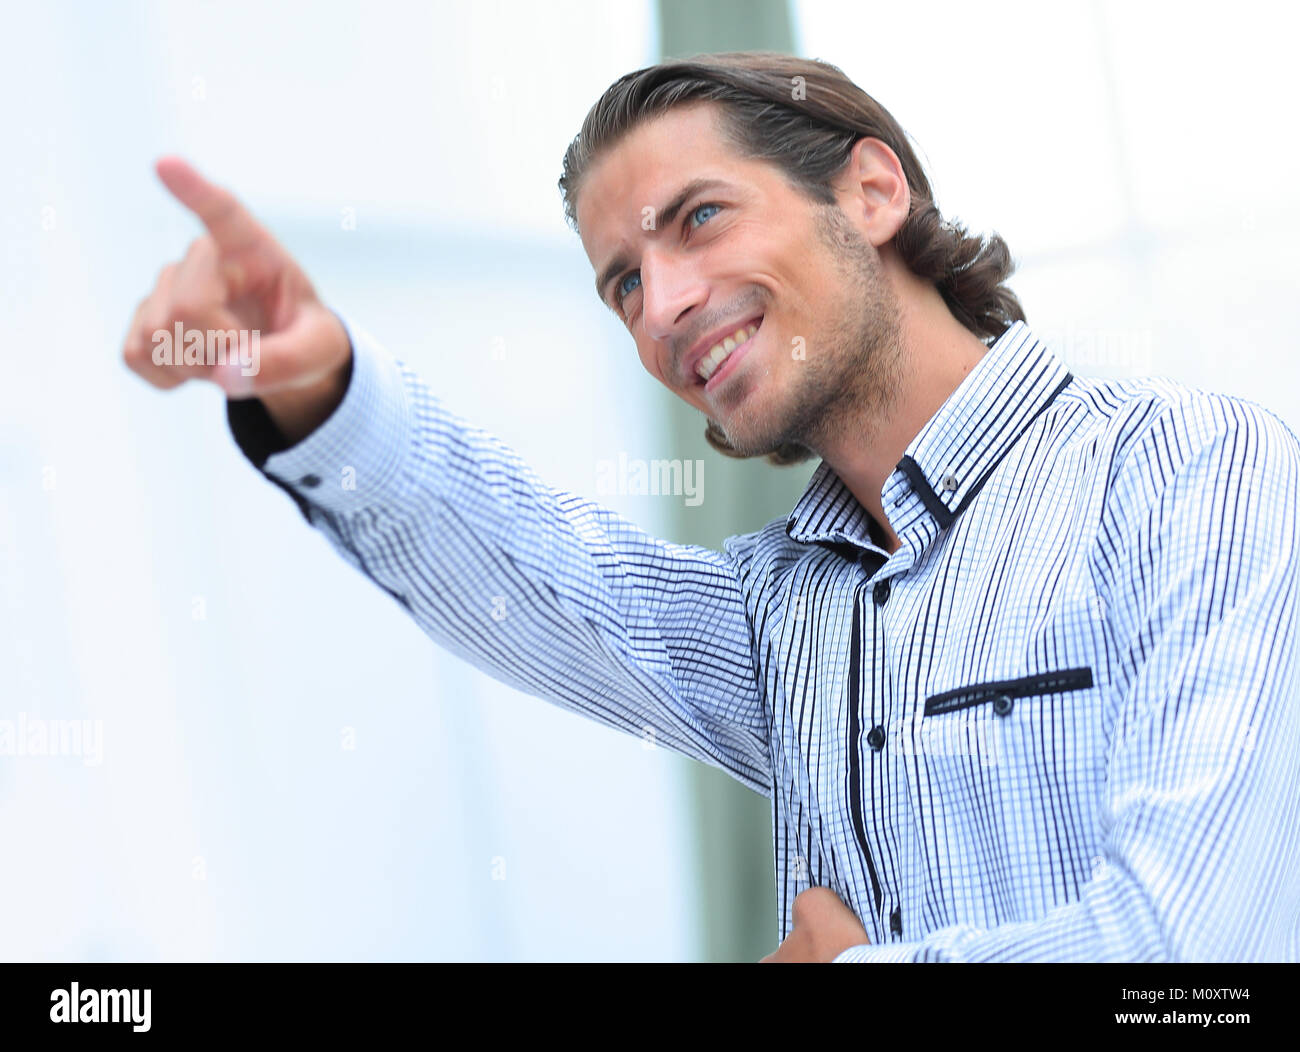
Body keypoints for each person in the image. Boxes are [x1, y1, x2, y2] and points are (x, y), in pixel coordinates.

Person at [122, 51, 1300, 962]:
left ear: (872, 189)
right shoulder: (778, 609)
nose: (663, 304)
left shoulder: (1194, 472)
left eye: (698, 217)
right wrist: (317, 385)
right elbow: (533, 567)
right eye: (622, 282)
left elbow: (1190, 960)